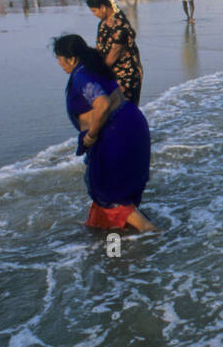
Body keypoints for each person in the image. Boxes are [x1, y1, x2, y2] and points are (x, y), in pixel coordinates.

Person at [52, 34, 156, 231]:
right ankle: (108, 232)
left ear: (71, 58)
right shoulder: (94, 67)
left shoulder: (82, 75)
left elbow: (102, 104)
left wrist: (90, 136)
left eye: (59, 58)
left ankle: (150, 232)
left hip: (115, 133)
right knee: (113, 185)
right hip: (131, 124)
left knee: (108, 191)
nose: (59, 63)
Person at [87, 0, 144, 104]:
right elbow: (99, 48)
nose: (93, 14)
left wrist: (98, 74)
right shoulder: (103, 23)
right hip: (112, 73)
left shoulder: (120, 25)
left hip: (127, 75)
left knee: (125, 111)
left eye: (94, 11)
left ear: (103, 7)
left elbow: (114, 53)